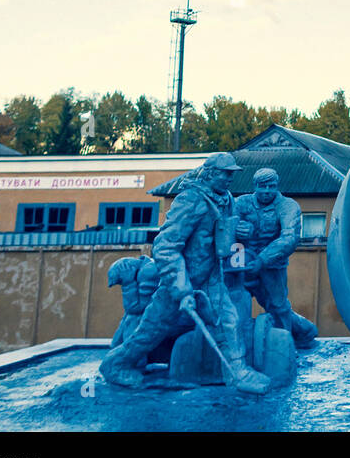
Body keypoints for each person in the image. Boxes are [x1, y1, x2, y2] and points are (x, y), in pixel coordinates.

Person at [99, 152, 270, 394]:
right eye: (225, 173)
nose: (230, 178)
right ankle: (115, 364)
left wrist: (241, 231)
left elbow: (222, 237)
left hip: (211, 277)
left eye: (232, 173)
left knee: (228, 321)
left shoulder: (226, 199)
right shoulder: (191, 201)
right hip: (180, 281)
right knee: (152, 330)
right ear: (210, 173)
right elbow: (165, 246)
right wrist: (181, 289)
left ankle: (238, 373)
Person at [228, 168, 318, 349]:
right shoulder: (241, 203)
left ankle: (291, 342)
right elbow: (223, 226)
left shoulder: (288, 206)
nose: (267, 190)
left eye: (272, 186)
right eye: (263, 186)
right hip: (240, 265)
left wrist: (262, 260)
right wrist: (236, 230)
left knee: (277, 306)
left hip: (271, 266)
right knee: (233, 302)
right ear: (255, 186)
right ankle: (235, 346)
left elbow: (289, 238)